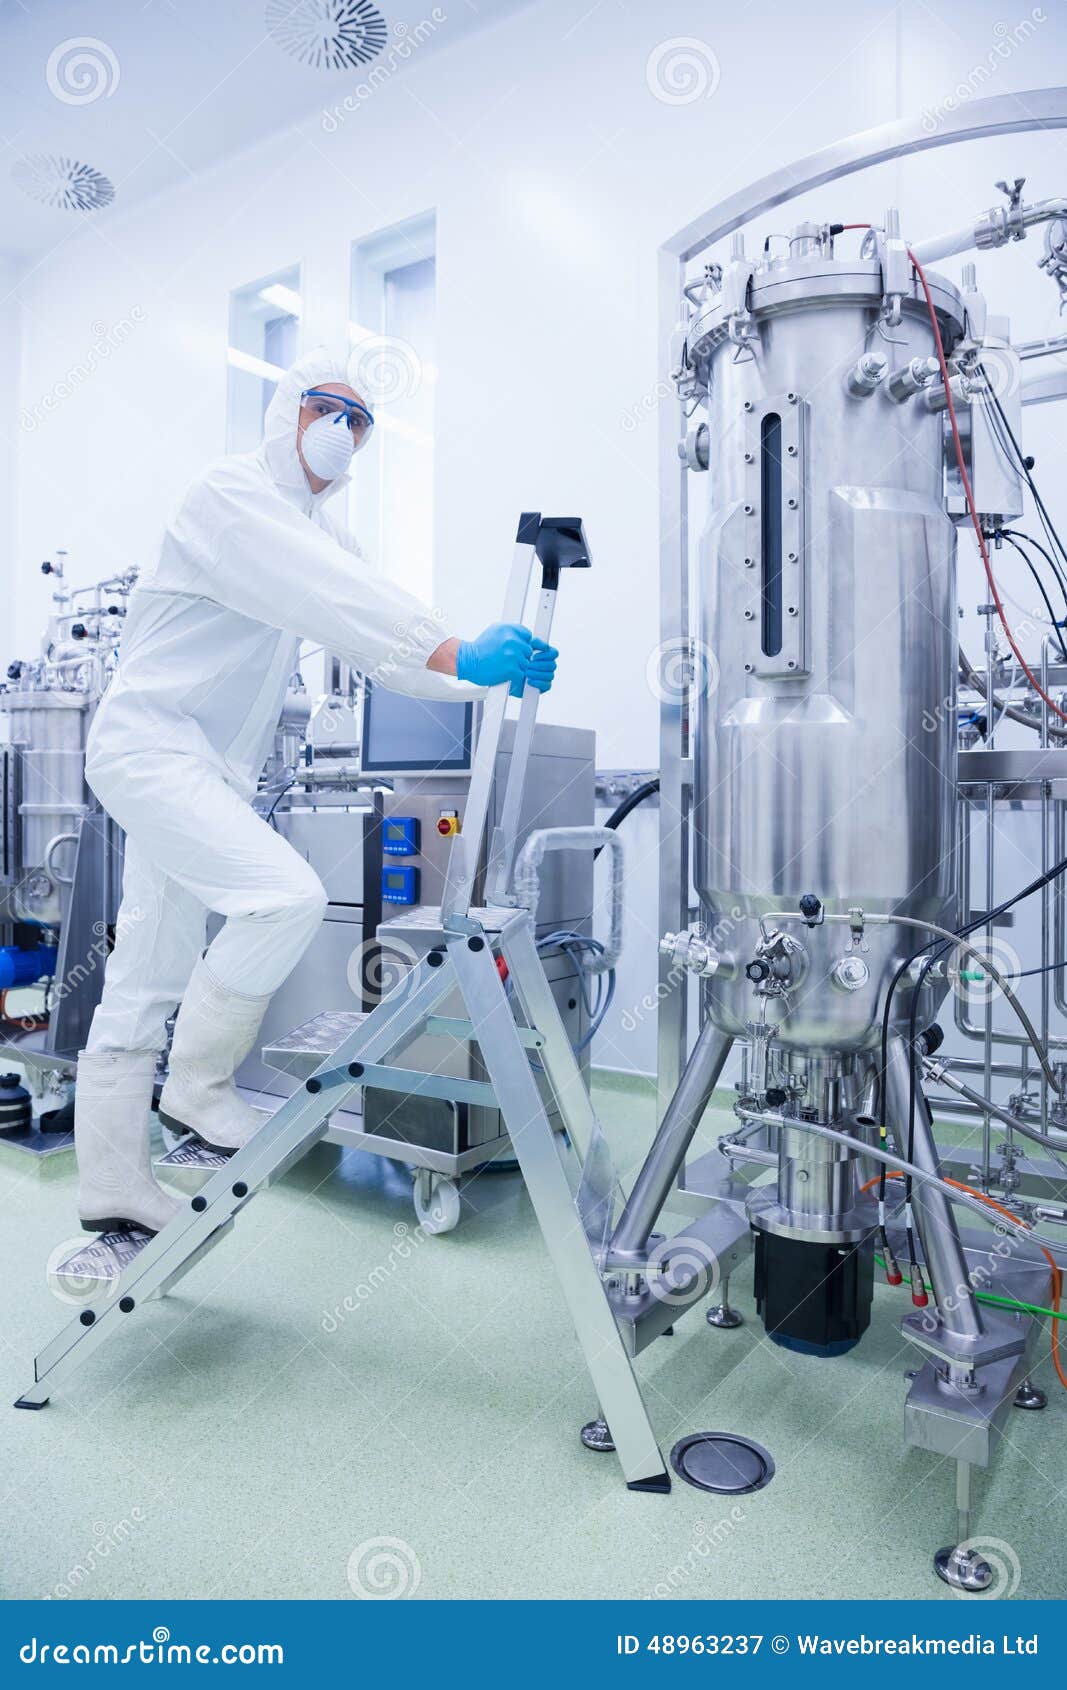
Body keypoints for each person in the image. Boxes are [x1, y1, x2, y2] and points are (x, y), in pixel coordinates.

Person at [75, 348, 557, 1236]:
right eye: (324, 408)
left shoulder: (325, 536)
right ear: (283, 412)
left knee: (144, 975)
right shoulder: (228, 499)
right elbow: (336, 596)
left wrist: (479, 675)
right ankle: (197, 1085)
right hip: (150, 746)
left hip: (204, 772)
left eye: (360, 422)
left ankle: (111, 1182)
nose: (341, 431)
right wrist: (452, 647)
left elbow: (372, 638)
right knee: (283, 897)